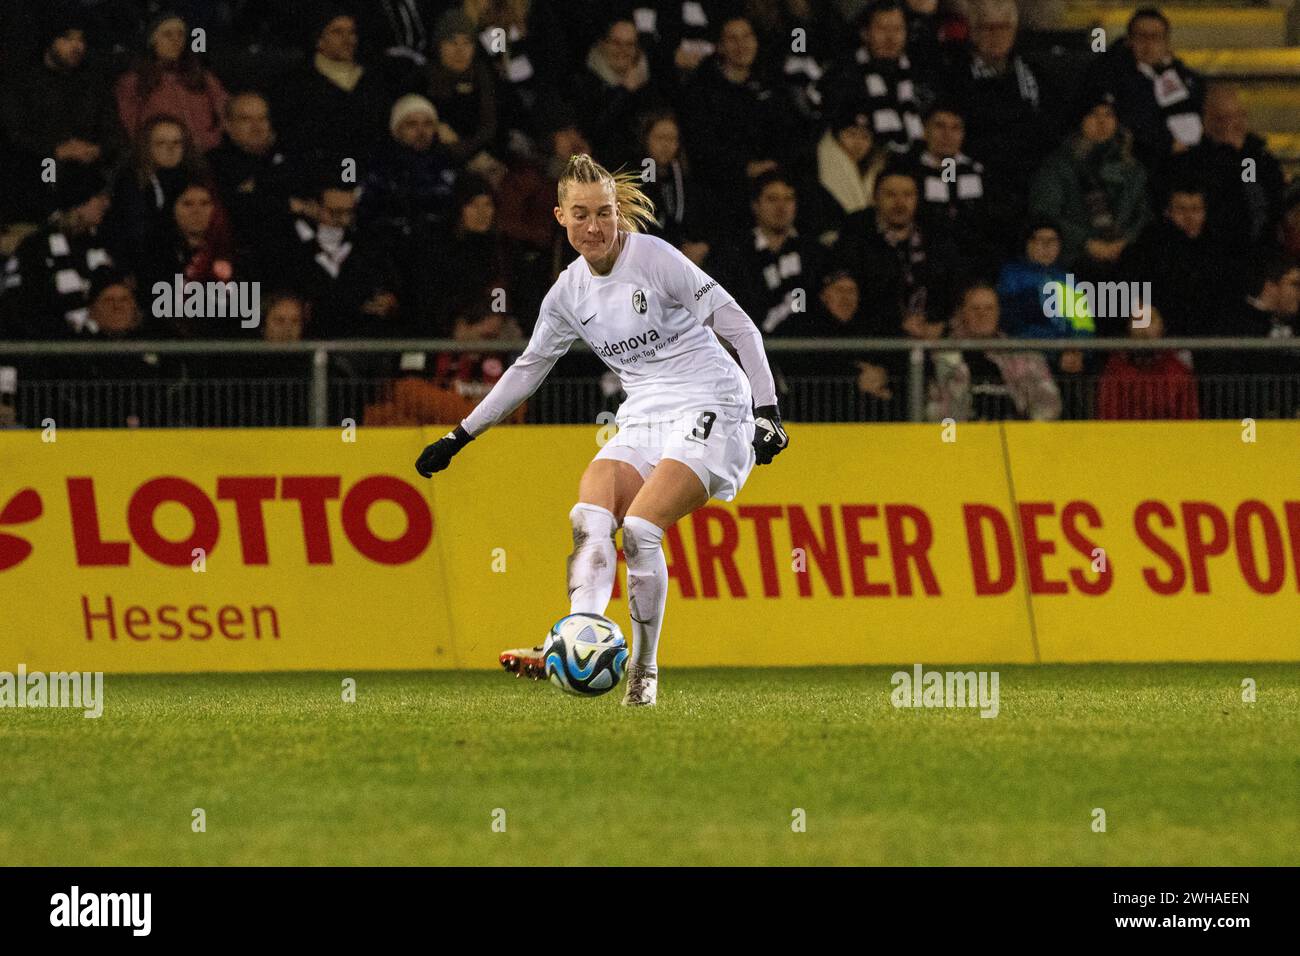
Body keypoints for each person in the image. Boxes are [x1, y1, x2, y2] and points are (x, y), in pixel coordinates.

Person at [413, 154, 788, 707]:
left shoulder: (656, 259)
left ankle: (643, 672)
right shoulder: (567, 293)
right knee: (589, 517)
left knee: (639, 530)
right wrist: (460, 435)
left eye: (605, 213)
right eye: (582, 215)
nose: (595, 227)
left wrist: (768, 410)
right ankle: (573, 640)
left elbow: (738, 325)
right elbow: (527, 369)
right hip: (642, 415)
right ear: (560, 216)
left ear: (619, 214)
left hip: (713, 403)